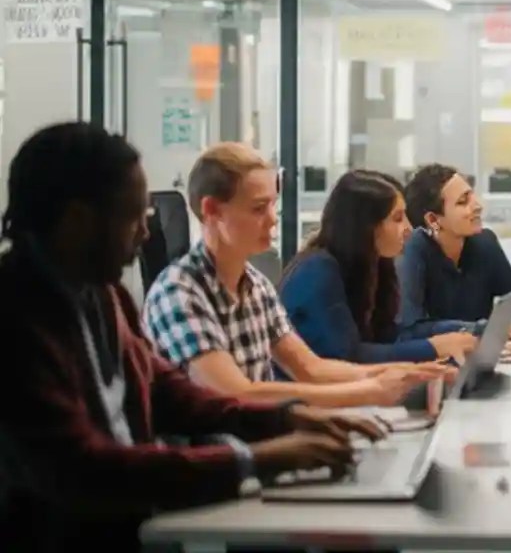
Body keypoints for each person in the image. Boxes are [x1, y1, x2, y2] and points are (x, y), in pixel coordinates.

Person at [0, 122, 384, 551]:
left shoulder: (103, 294)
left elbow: (167, 392)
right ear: (77, 222)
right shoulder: (16, 316)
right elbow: (79, 467)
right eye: (134, 218)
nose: (147, 235)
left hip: (133, 527)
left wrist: (285, 418)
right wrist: (258, 457)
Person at [144, 142, 450, 408]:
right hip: (210, 461)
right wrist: (368, 391)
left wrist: (408, 374)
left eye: (273, 205)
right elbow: (237, 394)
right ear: (212, 211)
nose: (273, 219)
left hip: (256, 443)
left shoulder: (257, 287)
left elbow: (311, 368)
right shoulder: (179, 293)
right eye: (258, 208)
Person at [280, 170, 478, 365]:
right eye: (398, 218)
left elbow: (390, 336)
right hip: (304, 394)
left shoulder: (373, 264)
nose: (409, 229)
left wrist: (467, 332)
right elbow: (349, 356)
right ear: (367, 226)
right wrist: (434, 347)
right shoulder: (317, 271)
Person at [396, 163, 511, 339]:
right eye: (463, 202)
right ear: (433, 220)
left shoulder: (485, 243)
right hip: (432, 363)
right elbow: (411, 328)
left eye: (472, 196)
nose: (477, 206)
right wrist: (481, 330)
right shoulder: (414, 250)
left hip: (483, 359)